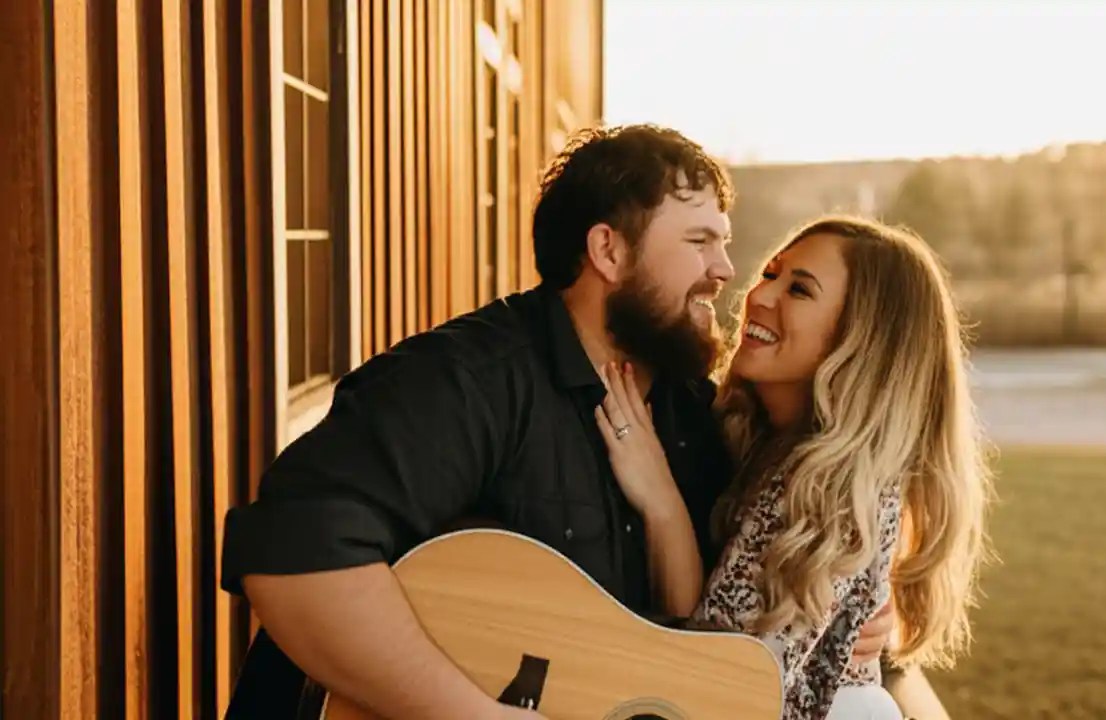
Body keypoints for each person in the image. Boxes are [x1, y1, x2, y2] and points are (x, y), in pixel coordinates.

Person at [217, 124, 896, 719]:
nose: (726, 271)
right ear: (608, 251)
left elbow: (747, 601)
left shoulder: (696, 414)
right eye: (699, 240)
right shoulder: (468, 382)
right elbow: (294, 556)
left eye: (723, 243)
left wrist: (859, 612)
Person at [593, 215, 993, 719]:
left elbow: (716, 684)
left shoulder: (830, 495)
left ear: (860, 338)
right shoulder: (757, 441)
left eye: (800, 290)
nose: (759, 296)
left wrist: (660, 501)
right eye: (772, 274)